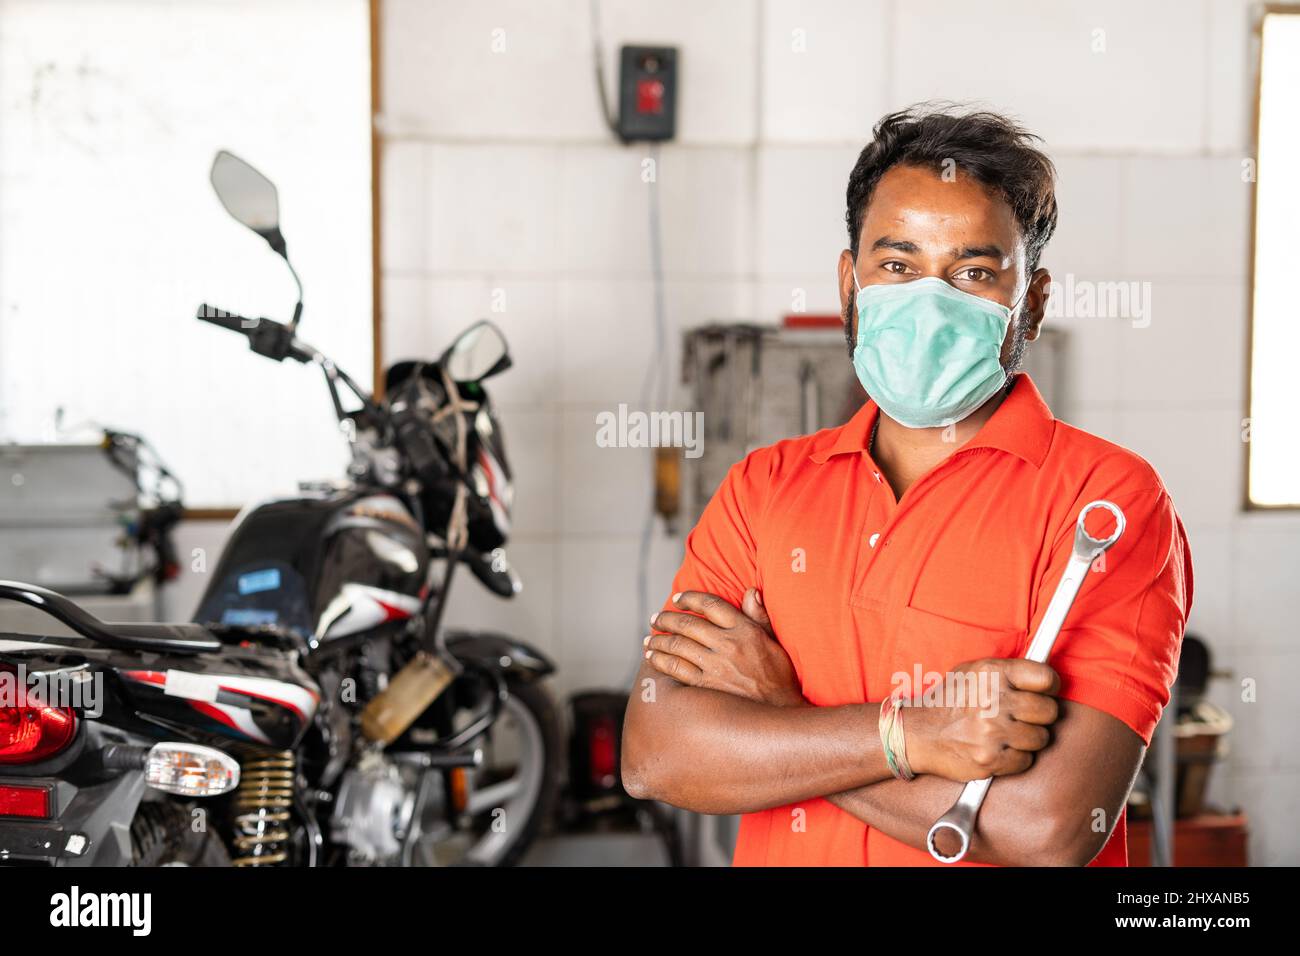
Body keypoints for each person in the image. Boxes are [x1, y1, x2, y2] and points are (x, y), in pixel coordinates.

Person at [621, 105, 1193, 866]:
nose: (930, 301)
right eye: (897, 265)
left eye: (974, 272)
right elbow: (656, 756)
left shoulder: (1105, 501)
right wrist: (912, 736)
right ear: (849, 281)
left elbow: (1048, 831)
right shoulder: (764, 489)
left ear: (1035, 302)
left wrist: (781, 713)